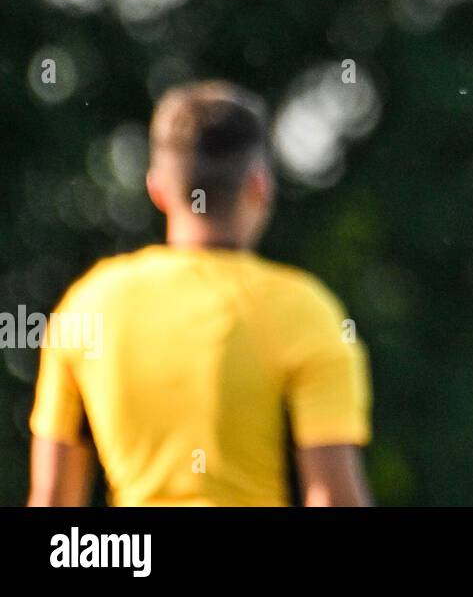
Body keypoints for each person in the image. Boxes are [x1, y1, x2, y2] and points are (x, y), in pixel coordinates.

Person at [28, 81, 373, 507]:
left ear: (157, 189)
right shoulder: (306, 312)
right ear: (259, 185)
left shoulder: (89, 305)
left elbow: (52, 500)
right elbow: (335, 500)